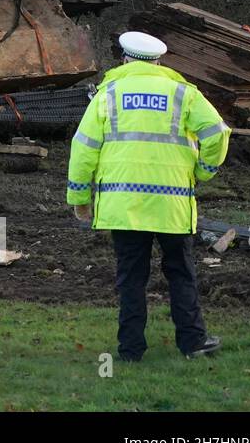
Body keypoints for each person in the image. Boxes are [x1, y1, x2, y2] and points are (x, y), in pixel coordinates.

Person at [67, 31, 231, 361]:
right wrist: (203, 171)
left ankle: (130, 351)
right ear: (159, 61)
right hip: (172, 205)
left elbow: (83, 149)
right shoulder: (184, 94)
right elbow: (217, 133)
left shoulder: (108, 94)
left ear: (125, 60)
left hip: (124, 206)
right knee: (181, 272)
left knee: (131, 278)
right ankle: (192, 342)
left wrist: (80, 199)